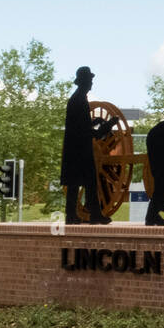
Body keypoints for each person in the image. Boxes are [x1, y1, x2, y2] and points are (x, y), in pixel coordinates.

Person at [61, 66, 113, 225]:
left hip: (74, 149)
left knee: (74, 183)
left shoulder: (76, 99)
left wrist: (93, 122)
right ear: (84, 81)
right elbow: (86, 131)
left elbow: (80, 125)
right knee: (89, 182)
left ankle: (71, 215)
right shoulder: (80, 100)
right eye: (90, 80)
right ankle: (94, 214)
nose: (92, 82)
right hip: (80, 150)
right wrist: (108, 126)